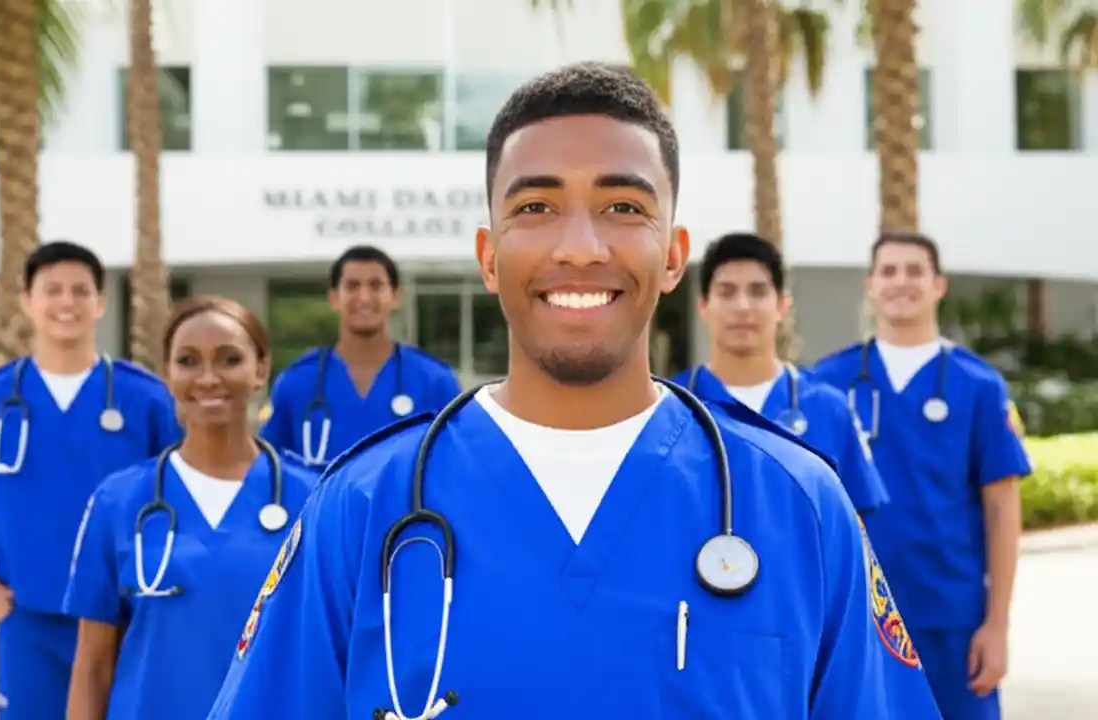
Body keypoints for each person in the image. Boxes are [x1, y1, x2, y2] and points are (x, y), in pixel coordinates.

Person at [207, 62, 941, 719]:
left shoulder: (798, 505)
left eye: (624, 207)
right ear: (489, 258)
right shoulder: (362, 506)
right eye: (536, 208)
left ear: (673, 256)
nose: (581, 246)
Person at [0, 241, 183, 720]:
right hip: (28, 624)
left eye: (81, 291)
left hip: (127, 623)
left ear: (101, 303)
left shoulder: (144, 399)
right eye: (53, 290)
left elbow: (184, 497)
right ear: (27, 301)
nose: (68, 303)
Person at [61, 295, 319, 719]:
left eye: (229, 359)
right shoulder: (118, 502)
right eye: (187, 360)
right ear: (167, 374)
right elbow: (93, 666)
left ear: (261, 370)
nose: (208, 377)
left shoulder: (312, 499)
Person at [810, 231, 1031, 720]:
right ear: (870, 285)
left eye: (914, 271)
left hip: (951, 620)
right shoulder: (827, 384)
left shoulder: (979, 386)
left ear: (939, 285)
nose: (901, 282)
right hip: (855, 620)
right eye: (888, 271)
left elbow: (1002, 508)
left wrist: (997, 626)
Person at [670, 232, 889, 516]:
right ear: (703, 307)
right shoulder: (672, 407)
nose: (743, 306)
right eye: (726, 292)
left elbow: (857, 525)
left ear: (782, 306)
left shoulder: (829, 410)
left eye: (758, 292)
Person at [259, 245, 463, 467]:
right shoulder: (296, 382)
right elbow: (269, 469)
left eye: (376, 286)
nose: (364, 297)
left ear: (395, 296)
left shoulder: (435, 381)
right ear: (334, 297)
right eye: (352, 286)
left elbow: (456, 466)